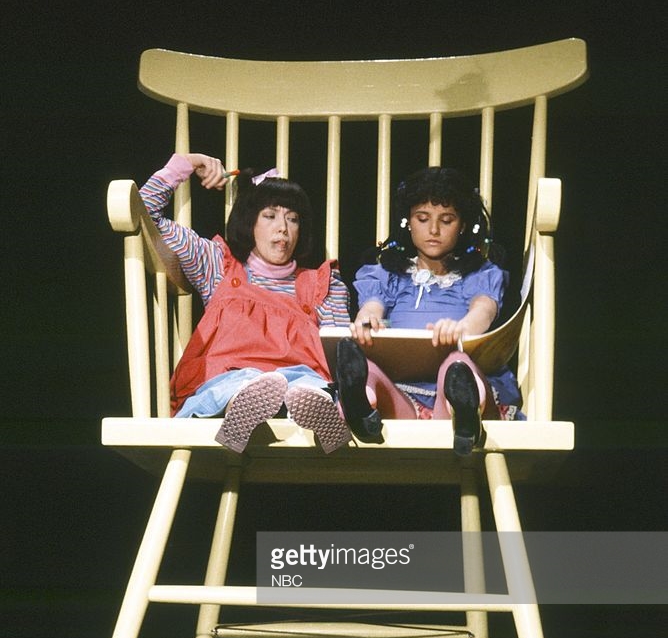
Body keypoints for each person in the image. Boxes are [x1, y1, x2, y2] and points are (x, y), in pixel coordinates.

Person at [139, 153, 352, 453]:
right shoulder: (218, 266)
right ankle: (242, 410)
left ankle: (317, 412)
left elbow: (341, 350)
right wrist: (188, 162)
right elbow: (145, 213)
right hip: (231, 377)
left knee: (307, 385)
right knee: (240, 383)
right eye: (270, 216)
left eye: (293, 219)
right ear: (249, 221)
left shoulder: (321, 284)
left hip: (298, 381)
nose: (283, 228)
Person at [335, 166, 522, 455]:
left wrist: (462, 328)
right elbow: (372, 306)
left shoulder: (478, 275)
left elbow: (483, 310)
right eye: (423, 219)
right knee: (366, 368)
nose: (433, 230)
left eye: (446, 220)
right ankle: (361, 406)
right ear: (408, 222)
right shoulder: (389, 275)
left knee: (457, 364)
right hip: (401, 398)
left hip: (451, 397)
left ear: (462, 225)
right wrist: (368, 320)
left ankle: (465, 416)